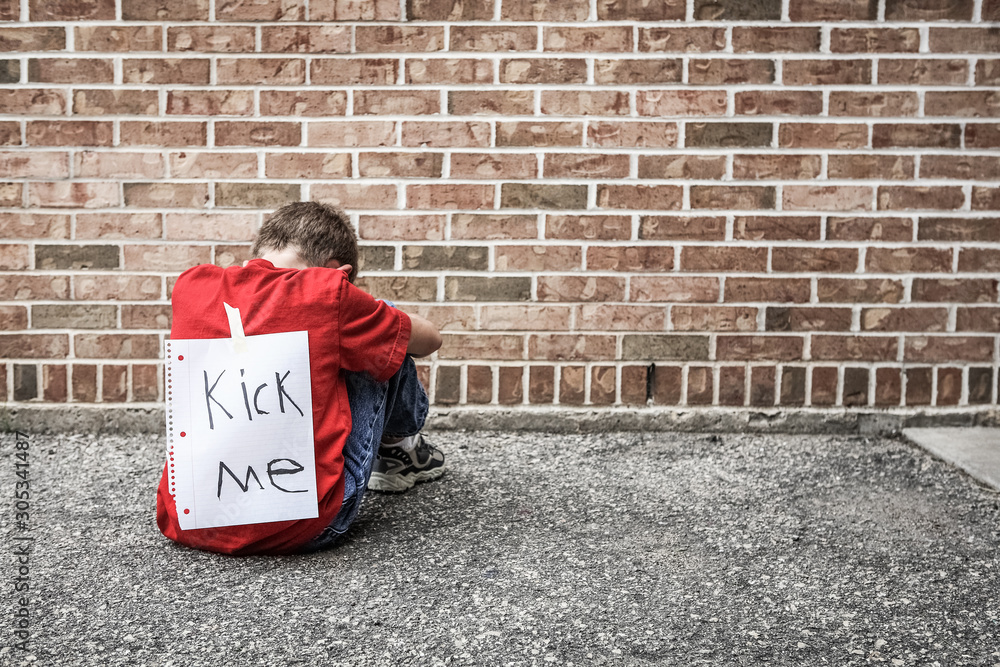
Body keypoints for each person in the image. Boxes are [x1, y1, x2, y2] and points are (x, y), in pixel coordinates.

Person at [156, 201, 444, 555]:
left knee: (348, 337)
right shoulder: (328, 294)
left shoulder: (192, 285)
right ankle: (400, 450)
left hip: (190, 521)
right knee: (386, 327)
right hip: (306, 526)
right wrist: (372, 312)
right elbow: (429, 340)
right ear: (340, 270)